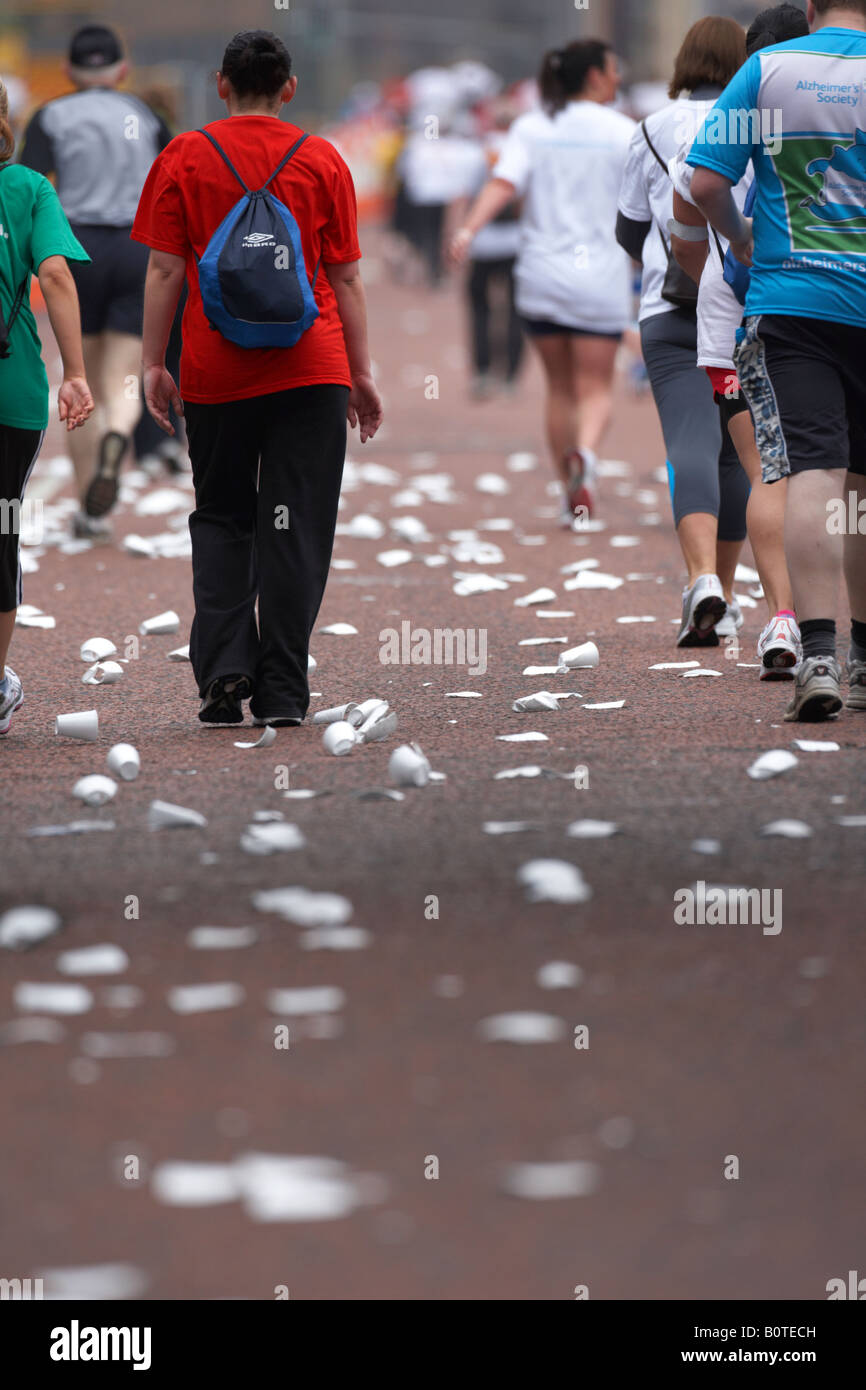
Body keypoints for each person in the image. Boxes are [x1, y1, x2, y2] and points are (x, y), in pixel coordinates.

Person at [132, 30, 382, 728]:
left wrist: (154, 363)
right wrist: (359, 374)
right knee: (295, 523)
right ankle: (284, 690)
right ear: (289, 88)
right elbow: (347, 276)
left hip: (216, 372)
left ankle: (222, 669)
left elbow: (165, 270)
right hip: (312, 369)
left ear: (220, 85)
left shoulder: (184, 155)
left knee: (221, 515)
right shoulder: (323, 159)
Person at [689, 0, 866, 721]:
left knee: (813, 469)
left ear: (814, 4)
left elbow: (704, 182)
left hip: (795, 299)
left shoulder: (766, 70)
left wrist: (744, 237)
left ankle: (817, 652)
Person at [668, 3, 810, 679]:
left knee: (763, 474)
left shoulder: (731, 108)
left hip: (735, 322)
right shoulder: (831, 98)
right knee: (832, 477)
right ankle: (833, 631)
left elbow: (686, 225)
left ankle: (783, 620)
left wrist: (730, 262)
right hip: (827, 304)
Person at [450, 40, 635, 524]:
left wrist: (468, 229)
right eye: (614, 70)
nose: (619, 78)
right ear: (595, 76)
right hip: (602, 274)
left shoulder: (532, 127)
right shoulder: (624, 131)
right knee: (595, 386)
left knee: (558, 389)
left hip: (541, 274)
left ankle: (565, 496)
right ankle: (587, 457)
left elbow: (502, 183)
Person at [616, 17, 751, 647]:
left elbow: (626, 229)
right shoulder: (756, 120)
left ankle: (702, 583)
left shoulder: (648, 126)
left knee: (689, 443)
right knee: (737, 450)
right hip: (747, 304)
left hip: (668, 308)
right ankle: (720, 586)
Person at [19, 24, 171, 537]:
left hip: (76, 245)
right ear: (123, 70)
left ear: (67, 71)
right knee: (122, 374)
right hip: (137, 246)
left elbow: (28, 186)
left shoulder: (52, 116)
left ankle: (90, 510)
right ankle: (116, 434)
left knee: (78, 375)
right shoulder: (144, 115)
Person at [0, 79, 93, 736]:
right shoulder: (29, 188)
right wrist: (77, 373)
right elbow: (56, 275)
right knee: (1, 529)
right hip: (12, 395)